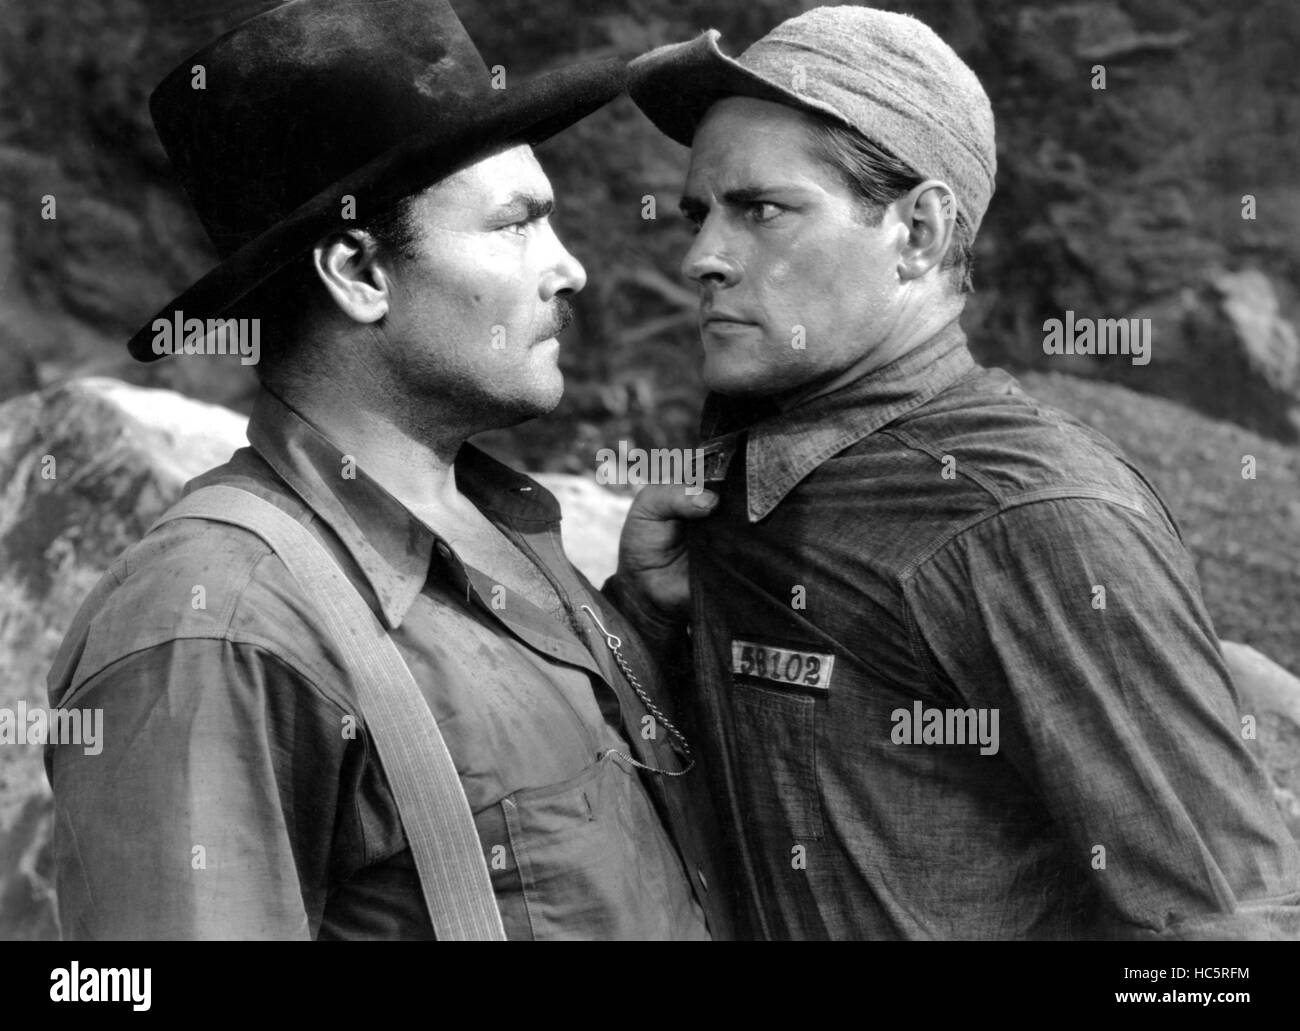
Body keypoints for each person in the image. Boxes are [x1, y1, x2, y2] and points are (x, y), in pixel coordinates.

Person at [44, 0, 728, 941]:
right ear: (359, 271)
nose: (567, 269)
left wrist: (642, 623)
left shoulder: (504, 532)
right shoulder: (212, 624)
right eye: (516, 225)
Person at [615, 5, 1300, 939]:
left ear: (920, 232)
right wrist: (652, 619)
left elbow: (1233, 940)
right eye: (699, 214)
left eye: (761, 210)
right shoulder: (735, 483)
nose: (703, 258)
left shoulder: (1031, 517)